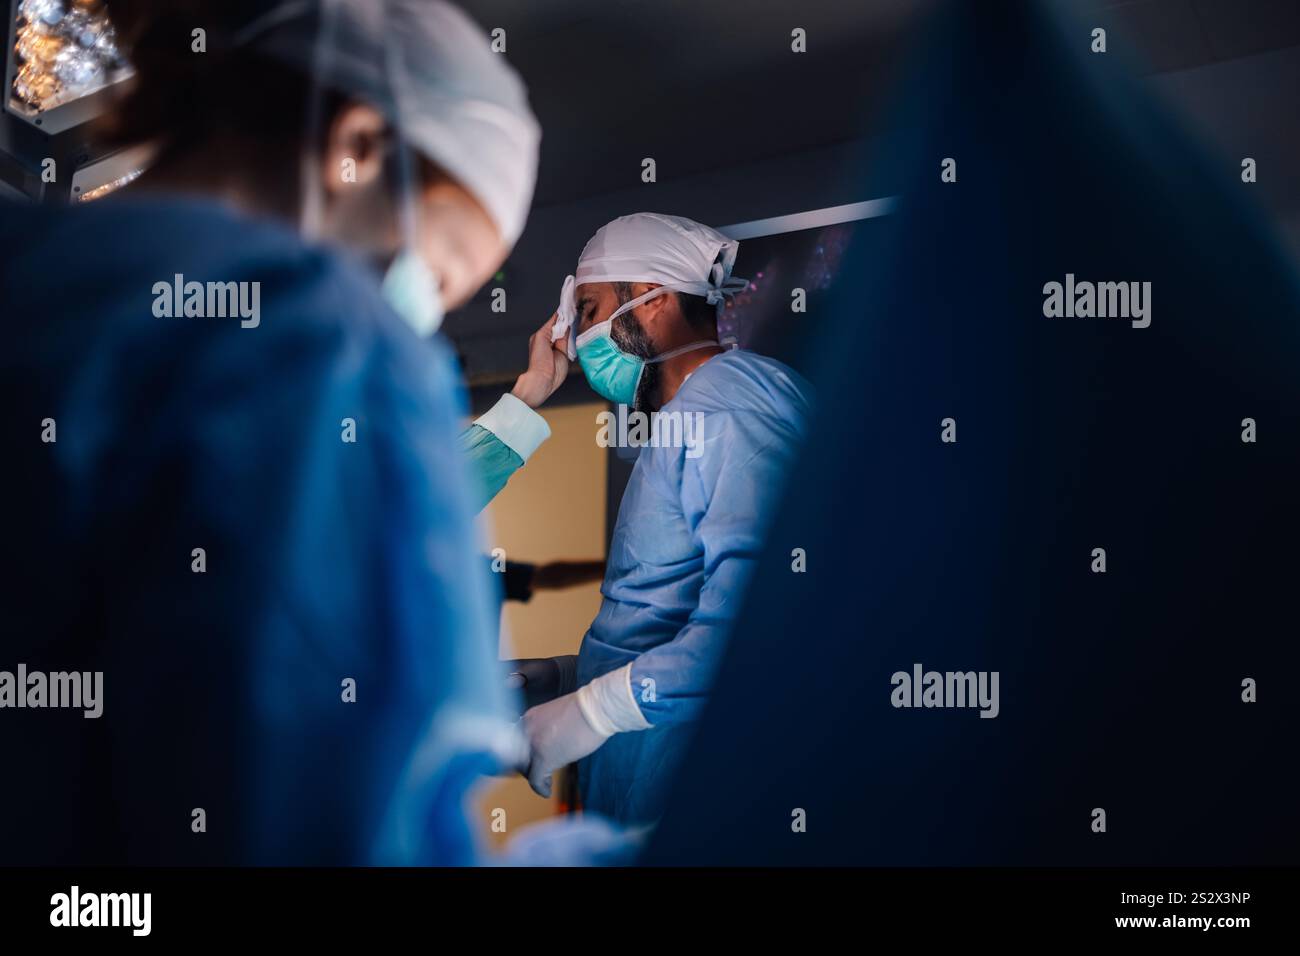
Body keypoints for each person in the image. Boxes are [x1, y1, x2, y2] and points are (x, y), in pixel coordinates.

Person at [0, 0, 553, 864]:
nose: (420, 315)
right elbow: (345, 822)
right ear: (357, 148)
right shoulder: (313, 333)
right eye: (435, 273)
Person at [513, 214, 813, 823]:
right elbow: (669, 612)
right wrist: (571, 675)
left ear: (655, 302)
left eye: (590, 310)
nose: (580, 338)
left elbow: (759, 616)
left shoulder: (727, 408)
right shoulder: (692, 417)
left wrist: (594, 712)